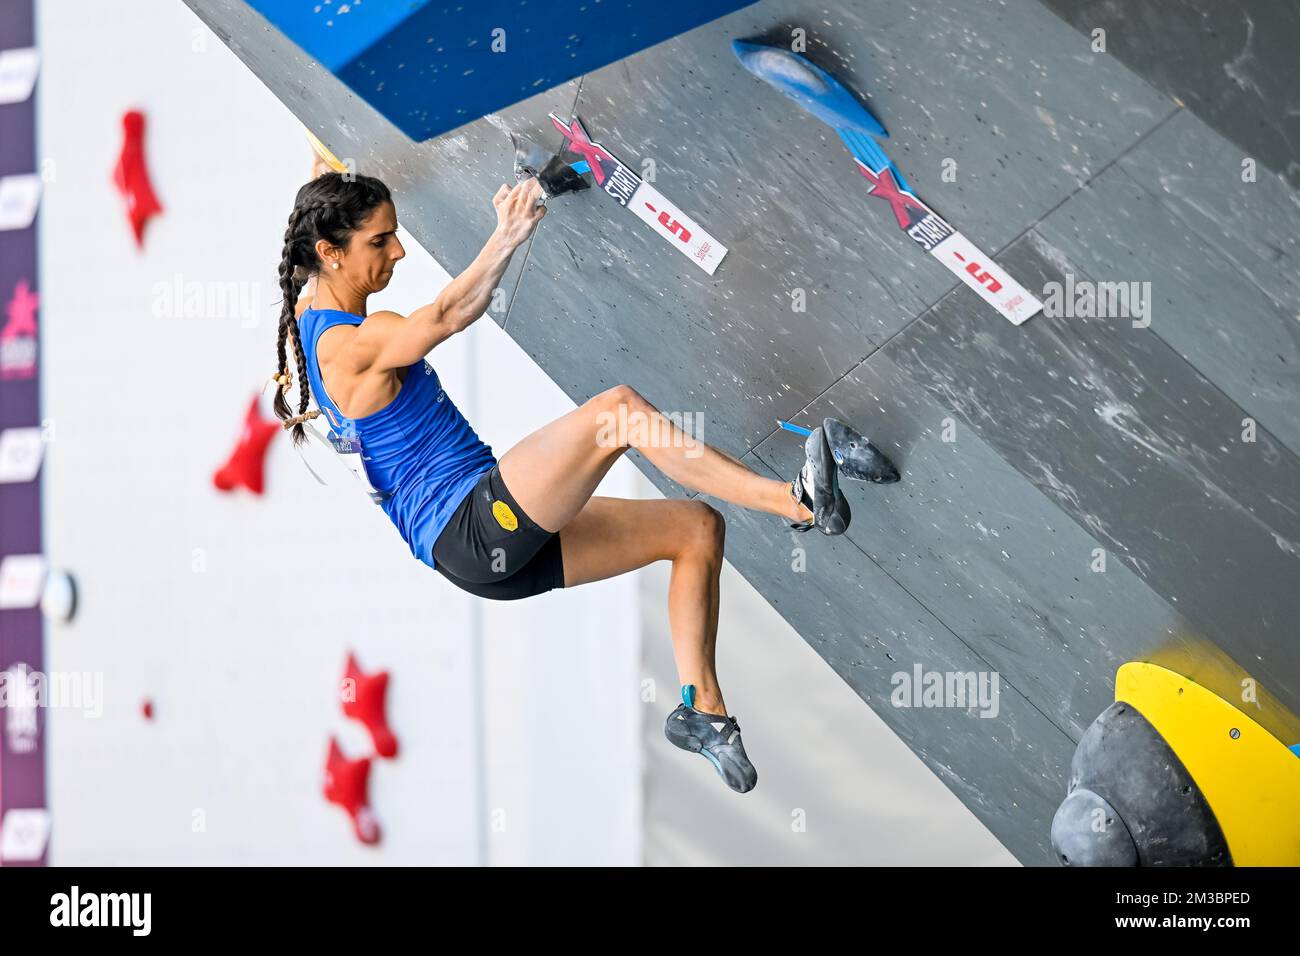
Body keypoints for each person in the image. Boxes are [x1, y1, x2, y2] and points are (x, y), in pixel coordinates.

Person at [271, 171, 853, 793]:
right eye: (381, 241)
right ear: (331, 251)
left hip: (480, 556)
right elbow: (444, 315)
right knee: (618, 414)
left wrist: (321, 155)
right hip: (471, 525)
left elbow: (316, 200)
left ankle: (703, 712)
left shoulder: (308, 304)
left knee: (696, 529)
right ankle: (795, 503)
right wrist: (508, 233)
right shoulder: (345, 346)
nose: (399, 251)